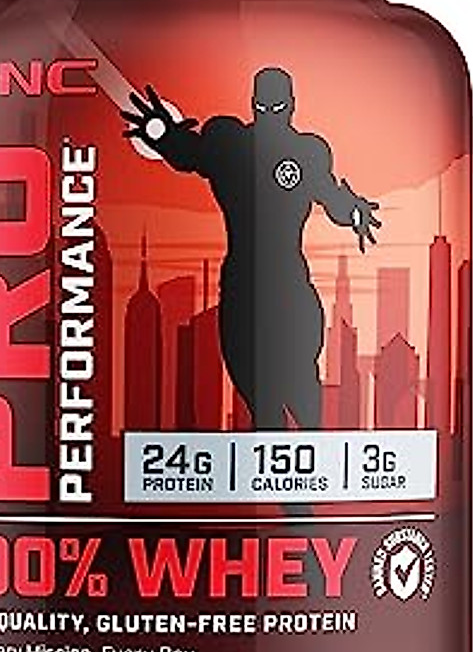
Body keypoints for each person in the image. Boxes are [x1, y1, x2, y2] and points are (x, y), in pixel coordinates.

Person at [121, 67, 380, 430]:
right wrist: (162, 134)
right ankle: (282, 451)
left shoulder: (302, 152)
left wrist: (353, 211)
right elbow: (189, 153)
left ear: (289, 106)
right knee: (266, 400)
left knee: (300, 393)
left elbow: (330, 194)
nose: (271, 116)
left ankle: (311, 453)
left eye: (276, 108)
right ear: (259, 105)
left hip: (285, 291)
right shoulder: (232, 145)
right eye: (265, 108)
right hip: (249, 291)